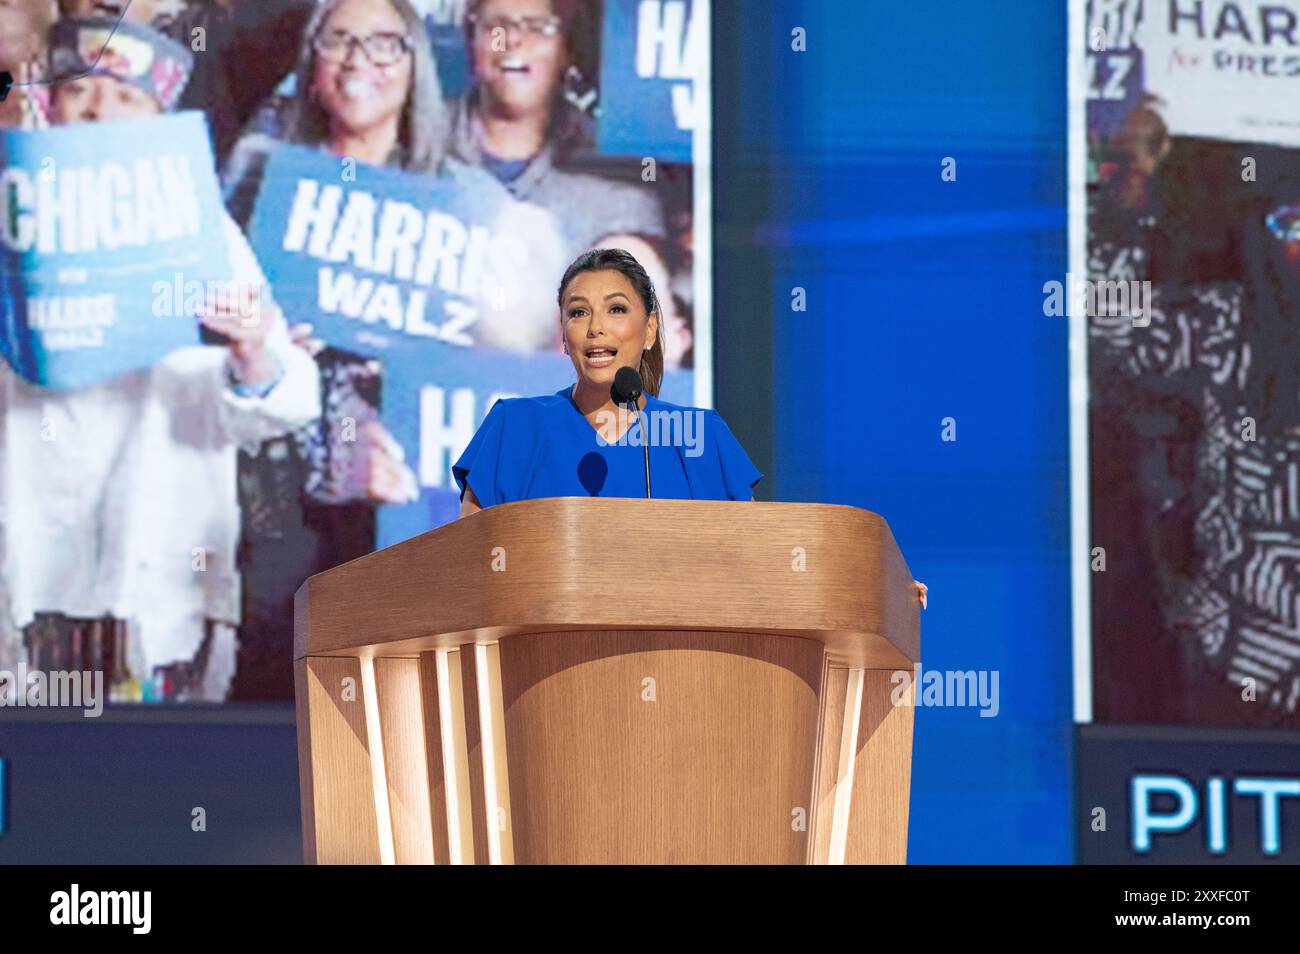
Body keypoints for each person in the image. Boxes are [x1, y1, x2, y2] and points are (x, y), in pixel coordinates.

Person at [0, 16, 320, 701]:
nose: (100, 111)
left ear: (161, 120)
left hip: (150, 561)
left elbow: (292, 399)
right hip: (27, 556)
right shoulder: (8, 218)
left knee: (141, 780)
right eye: (82, 94)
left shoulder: (205, 228)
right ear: (50, 107)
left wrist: (251, 349)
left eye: (127, 98)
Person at [453, 248, 930, 607]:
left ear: (652, 329)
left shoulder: (698, 437)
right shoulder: (515, 427)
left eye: (616, 309)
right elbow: (465, 567)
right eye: (579, 312)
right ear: (563, 335)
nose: (596, 327)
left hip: (683, 681)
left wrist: (874, 585)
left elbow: (765, 559)